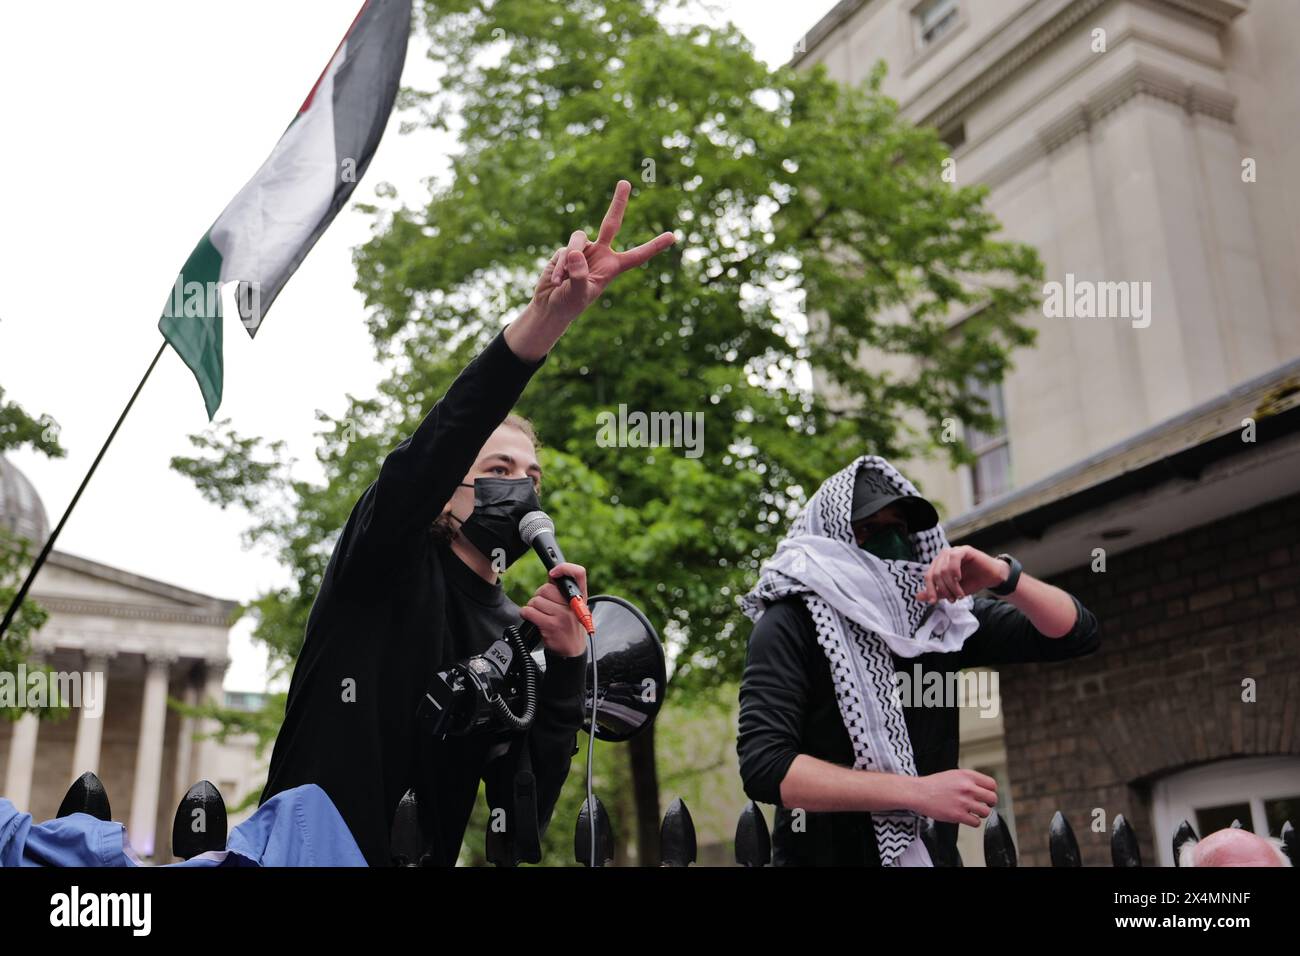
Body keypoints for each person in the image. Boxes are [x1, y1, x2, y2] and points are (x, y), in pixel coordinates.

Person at [259, 181, 676, 866]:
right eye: (498, 469)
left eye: (533, 477)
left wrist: (567, 667)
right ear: (448, 493)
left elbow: (525, 823)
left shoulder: (517, 635)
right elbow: (446, 434)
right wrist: (547, 320)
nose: (520, 487)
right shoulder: (383, 560)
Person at [737, 455, 1101, 866]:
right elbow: (766, 766)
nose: (891, 543)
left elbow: (1076, 633)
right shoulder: (790, 621)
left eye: (900, 529)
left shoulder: (940, 619)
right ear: (832, 538)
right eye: (869, 529)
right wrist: (919, 792)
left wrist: (1003, 576)